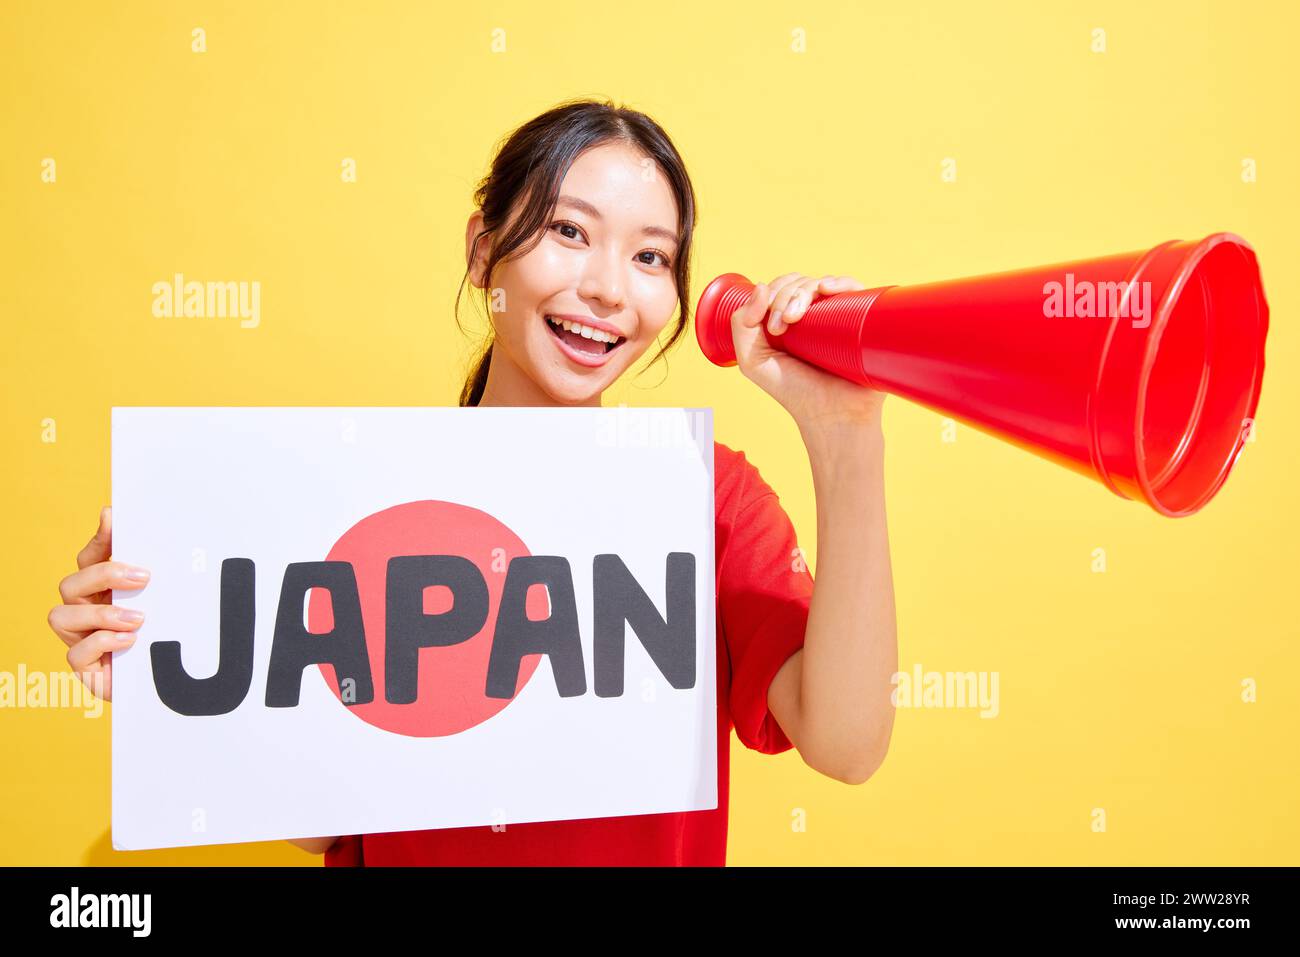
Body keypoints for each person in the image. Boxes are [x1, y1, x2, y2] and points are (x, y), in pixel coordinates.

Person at [47, 97, 898, 866]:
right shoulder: (355, 492)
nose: (606, 288)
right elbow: (338, 827)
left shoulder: (702, 493)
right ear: (484, 247)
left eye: (650, 256)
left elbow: (846, 743)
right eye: (569, 232)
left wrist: (848, 436)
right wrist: (166, 690)